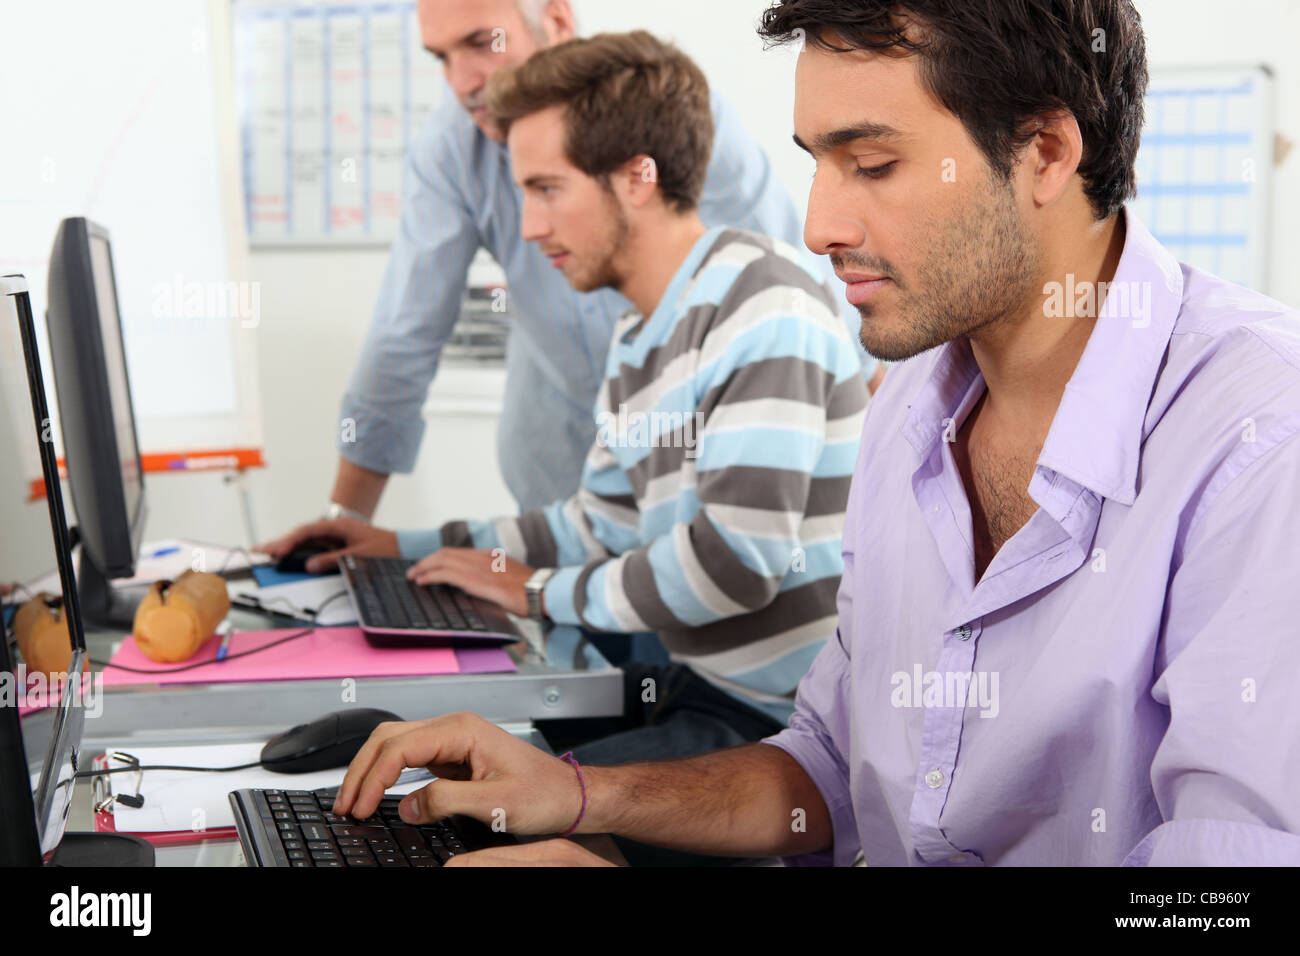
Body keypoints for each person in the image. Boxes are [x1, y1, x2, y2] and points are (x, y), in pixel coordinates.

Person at [327, 0, 1300, 866]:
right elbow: (825, 767)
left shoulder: (1260, 430)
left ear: (1045, 150)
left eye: (872, 162)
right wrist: (581, 797)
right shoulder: (911, 406)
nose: (819, 221)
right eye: (817, 163)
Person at [263, 29, 868, 854]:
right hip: (710, 691)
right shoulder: (640, 333)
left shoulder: (761, 305)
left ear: (637, 177)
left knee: (494, 828)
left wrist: (537, 590)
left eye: (547, 188)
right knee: (468, 797)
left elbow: (736, 563)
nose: (529, 226)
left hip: (788, 734)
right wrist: (399, 546)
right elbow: (598, 522)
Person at [322, 0, 882, 528]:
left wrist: (886, 480)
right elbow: (404, 334)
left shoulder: (677, 114)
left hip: (712, 454)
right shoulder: (450, 148)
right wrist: (344, 526)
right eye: (441, 57)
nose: (462, 81)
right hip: (561, 458)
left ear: (557, 20)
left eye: (479, 42)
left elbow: (806, 294)